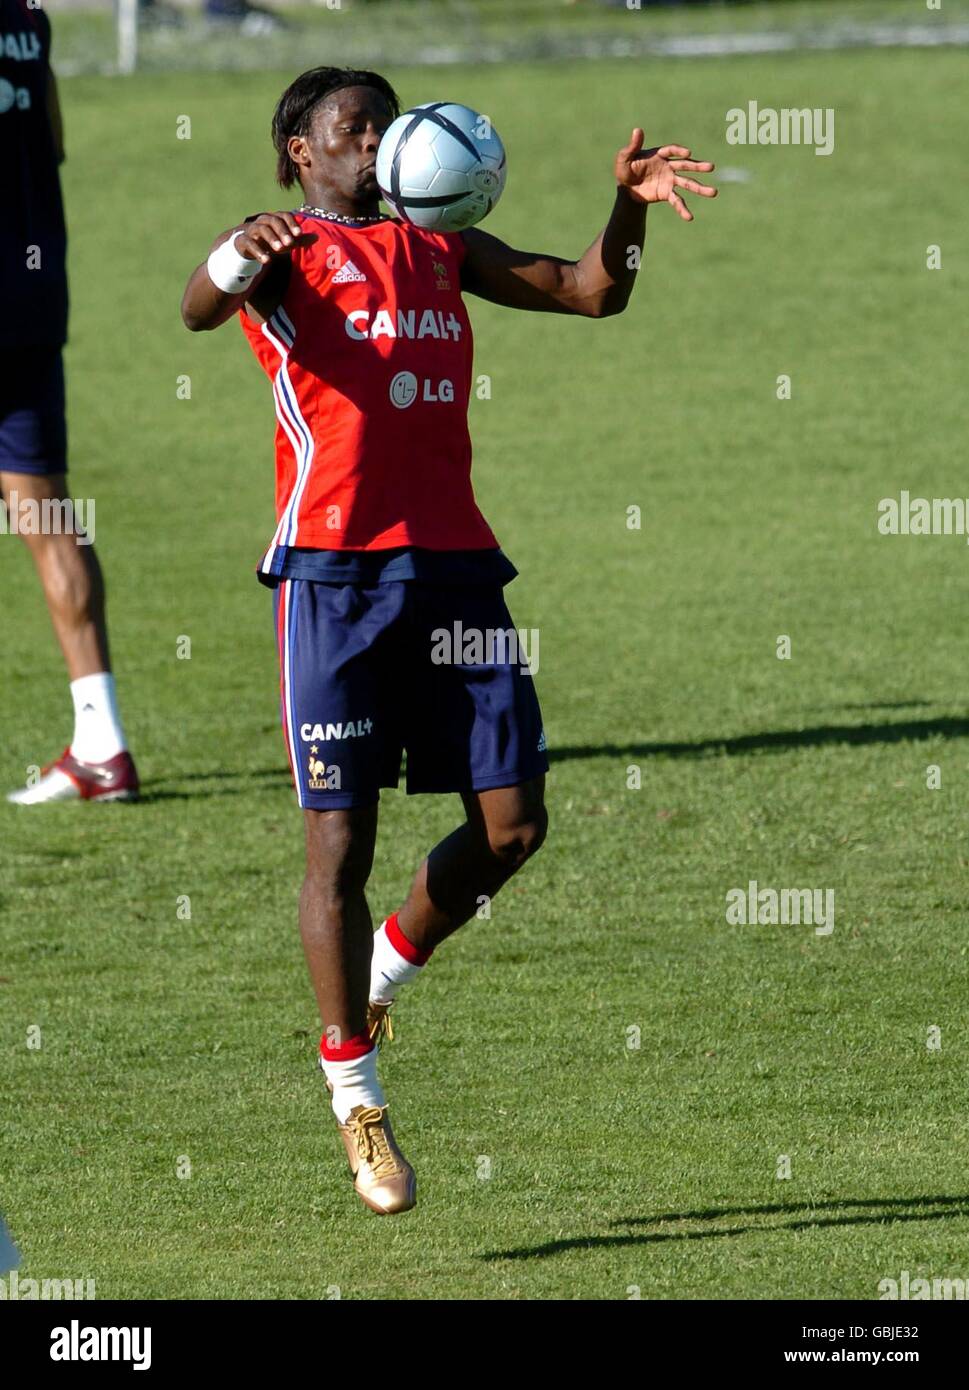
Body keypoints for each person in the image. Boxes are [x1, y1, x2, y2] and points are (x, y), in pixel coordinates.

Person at [180, 65, 716, 1214]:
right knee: (340, 844)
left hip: (457, 571)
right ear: (299, 152)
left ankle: (370, 979)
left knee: (514, 826)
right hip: (332, 579)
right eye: (350, 129)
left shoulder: (441, 247)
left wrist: (625, 205)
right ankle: (356, 1098)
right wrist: (241, 247)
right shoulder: (283, 251)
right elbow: (196, 303)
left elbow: (590, 293)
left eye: (384, 122)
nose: (375, 143)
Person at [2, 0, 138, 805]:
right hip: (31, 299)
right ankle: (101, 741)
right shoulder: (30, 19)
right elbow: (52, 140)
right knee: (45, 512)